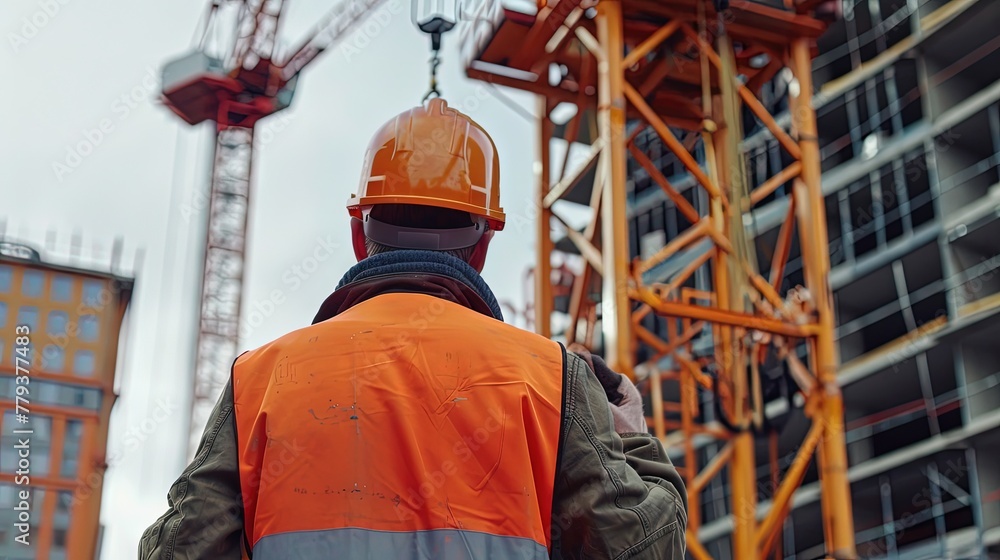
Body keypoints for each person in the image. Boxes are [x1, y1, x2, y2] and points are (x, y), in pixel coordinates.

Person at [139, 97, 687, 559]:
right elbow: (643, 548)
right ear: (483, 246)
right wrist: (632, 436)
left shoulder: (258, 379)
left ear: (360, 233)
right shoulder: (552, 379)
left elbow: (180, 550)